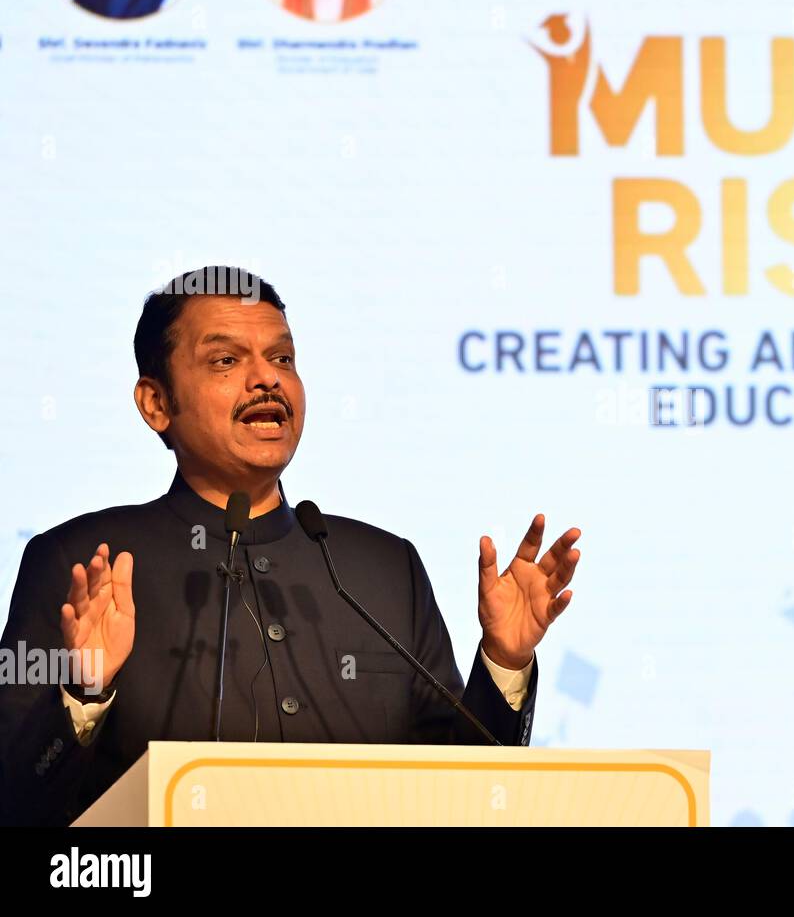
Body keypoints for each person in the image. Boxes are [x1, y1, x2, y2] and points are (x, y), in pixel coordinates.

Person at [0, 267, 582, 825]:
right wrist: (84, 695)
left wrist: (504, 662)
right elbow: (18, 800)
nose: (267, 379)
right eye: (225, 360)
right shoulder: (78, 563)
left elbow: (464, 793)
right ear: (156, 403)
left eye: (282, 358)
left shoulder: (384, 567)